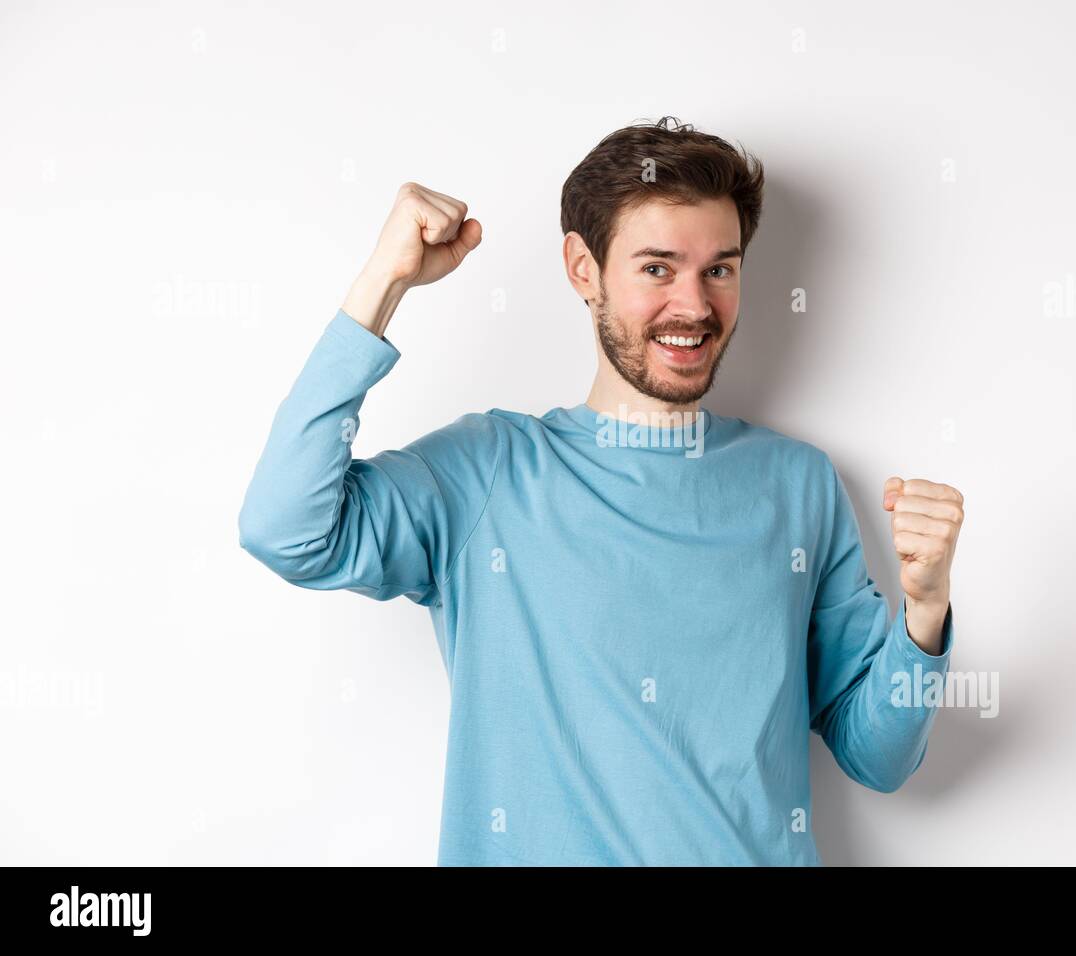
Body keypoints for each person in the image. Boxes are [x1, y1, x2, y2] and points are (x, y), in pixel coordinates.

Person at [237, 116, 964, 866]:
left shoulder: (799, 484)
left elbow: (879, 758)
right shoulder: (489, 471)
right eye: (657, 268)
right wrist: (383, 280)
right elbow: (286, 528)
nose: (694, 305)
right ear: (583, 269)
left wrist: (926, 610)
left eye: (720, 268)